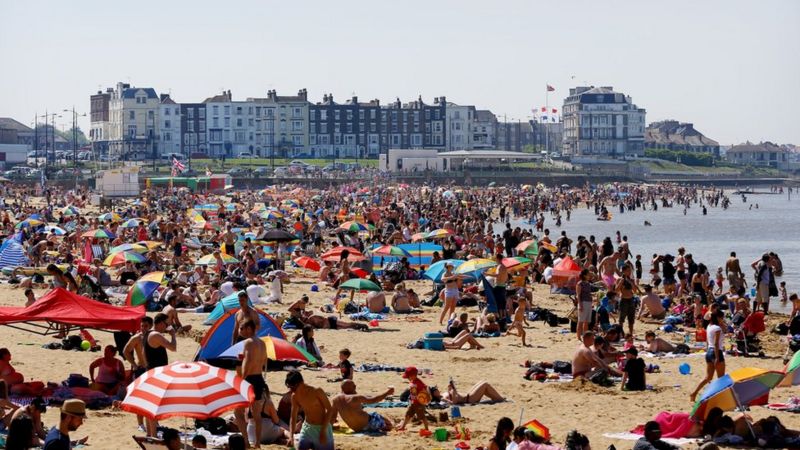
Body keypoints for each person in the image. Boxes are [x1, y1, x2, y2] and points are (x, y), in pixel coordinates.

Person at [233, 319, 267, 450]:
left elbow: (247, 362)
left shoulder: (248, 342)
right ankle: (258, 443)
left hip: (249, 379)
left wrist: (242, 377)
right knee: (257, 414)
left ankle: (246, 442)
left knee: (238, 412)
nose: (240, 331)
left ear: (249, 329)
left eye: (242, 328)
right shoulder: (262, 343)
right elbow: (263, 361)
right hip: (259, 378)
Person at [143, 313, 177, 436]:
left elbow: (143, 354)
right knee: (153, 406)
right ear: (161, 323)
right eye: (166, 324)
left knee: (149, 406)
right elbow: (173, 347)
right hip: (156, 374)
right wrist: (173, 334)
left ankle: (149, 434)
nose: (167, 327)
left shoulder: (147, 334)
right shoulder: (155, 335)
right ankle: (153, 435)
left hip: (151, 371)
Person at [286, 371, 335, 450]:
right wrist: (291, 436)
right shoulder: (294, 396)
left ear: (301, 382)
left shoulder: (317, 391)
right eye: (290, 387)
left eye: (293, 387)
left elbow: (330, 410)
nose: (292, 390)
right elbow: (293, 417)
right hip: (307, 429)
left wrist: (323, 431)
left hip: (322, 427)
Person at [330, 380, 394, 433]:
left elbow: (333, 416)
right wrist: (387, 393)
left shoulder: (335, 400)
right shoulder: (356, 397)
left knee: (371, 413)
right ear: (350, 388)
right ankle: (388, 425)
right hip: (370, 424)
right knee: (388, 424)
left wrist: (329, 427)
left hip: (356, 429)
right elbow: (374, 400)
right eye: (354, 386)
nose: (355, 387)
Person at [690, 310, 726, 402]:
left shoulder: (709, 326)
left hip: (709, 352)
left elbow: (708, 341)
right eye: (722, 318)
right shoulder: (717, 328)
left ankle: (694, 393)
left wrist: (707, 350)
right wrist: (717, 357)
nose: (723, 319)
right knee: (721, 379)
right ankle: (719, 398)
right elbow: (716, 343)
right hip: (716, 352)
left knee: (708, 377)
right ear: (718, 318)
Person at [396, 366, 429, 432]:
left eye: (408, 377)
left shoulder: (419, 382)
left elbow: (425, 389)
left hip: (419, 403)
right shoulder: (412, 381)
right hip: (412, 402)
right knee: (408, 415)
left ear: (413, 375)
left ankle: (426, 429)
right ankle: (403, 427)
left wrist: (423, 398)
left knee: (422, 417)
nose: (407, 378)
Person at [575, 269, 593, 340]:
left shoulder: (588, 283)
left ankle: (585, 336)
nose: (589, 275)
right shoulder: (579, 284)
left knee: (586, 322)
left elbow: (588, 293)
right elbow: (578, 295)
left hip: (589, 302)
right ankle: (578, 337)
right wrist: (580, 305)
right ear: (584, 275)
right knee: (581, 321)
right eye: (588, 274)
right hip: (583, 302)